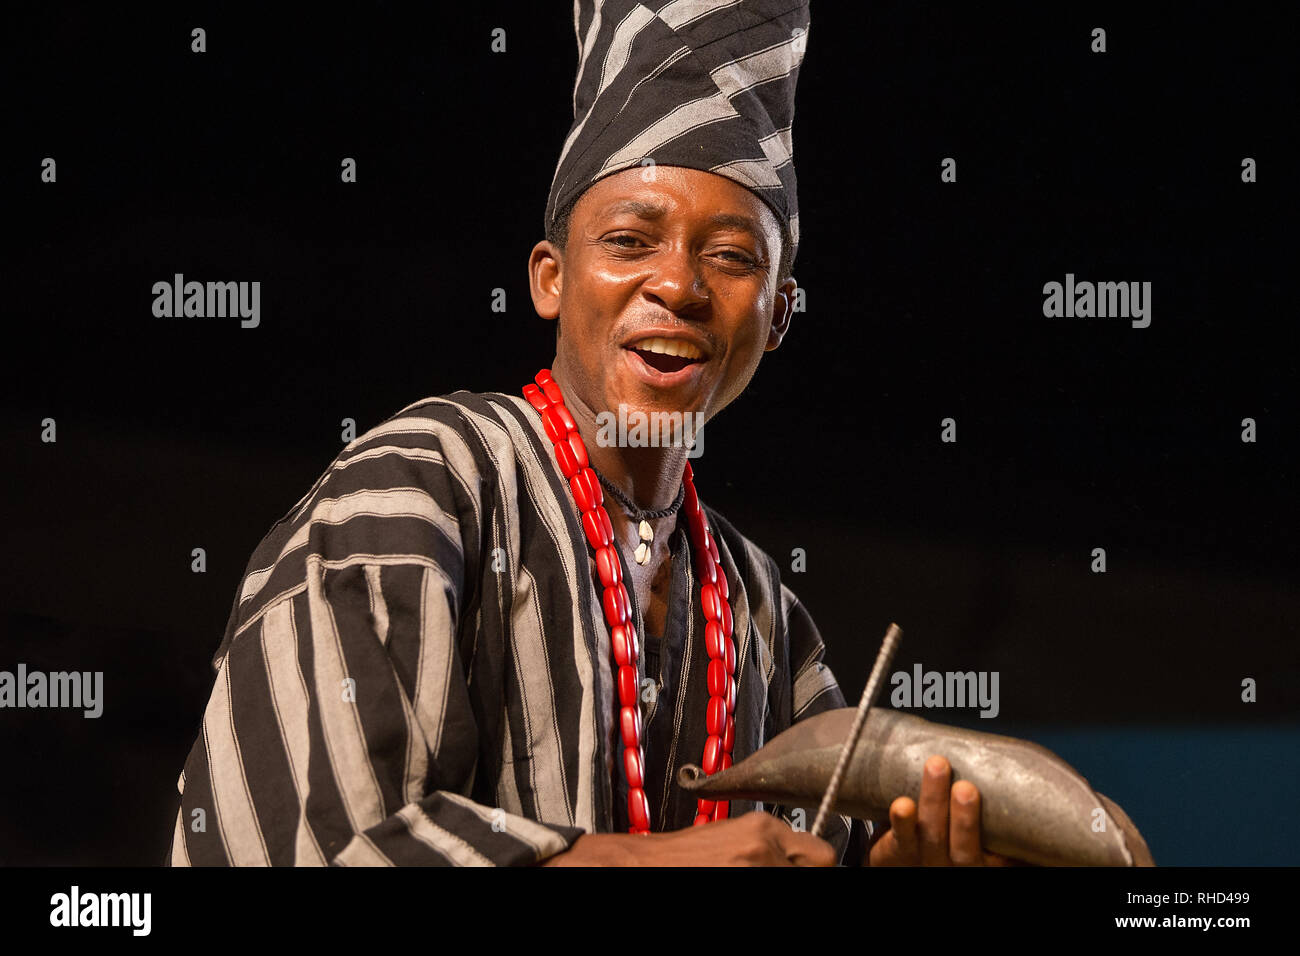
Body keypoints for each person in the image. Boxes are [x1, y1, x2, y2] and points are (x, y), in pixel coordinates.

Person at [168, 0, 1009, 867]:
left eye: (731, 255)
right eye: (629, 239)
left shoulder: (765, 619)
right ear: (551, 278)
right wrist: (654, 863)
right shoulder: (425, 481)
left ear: (780, 314)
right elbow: (317, 839)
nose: (677, 284)